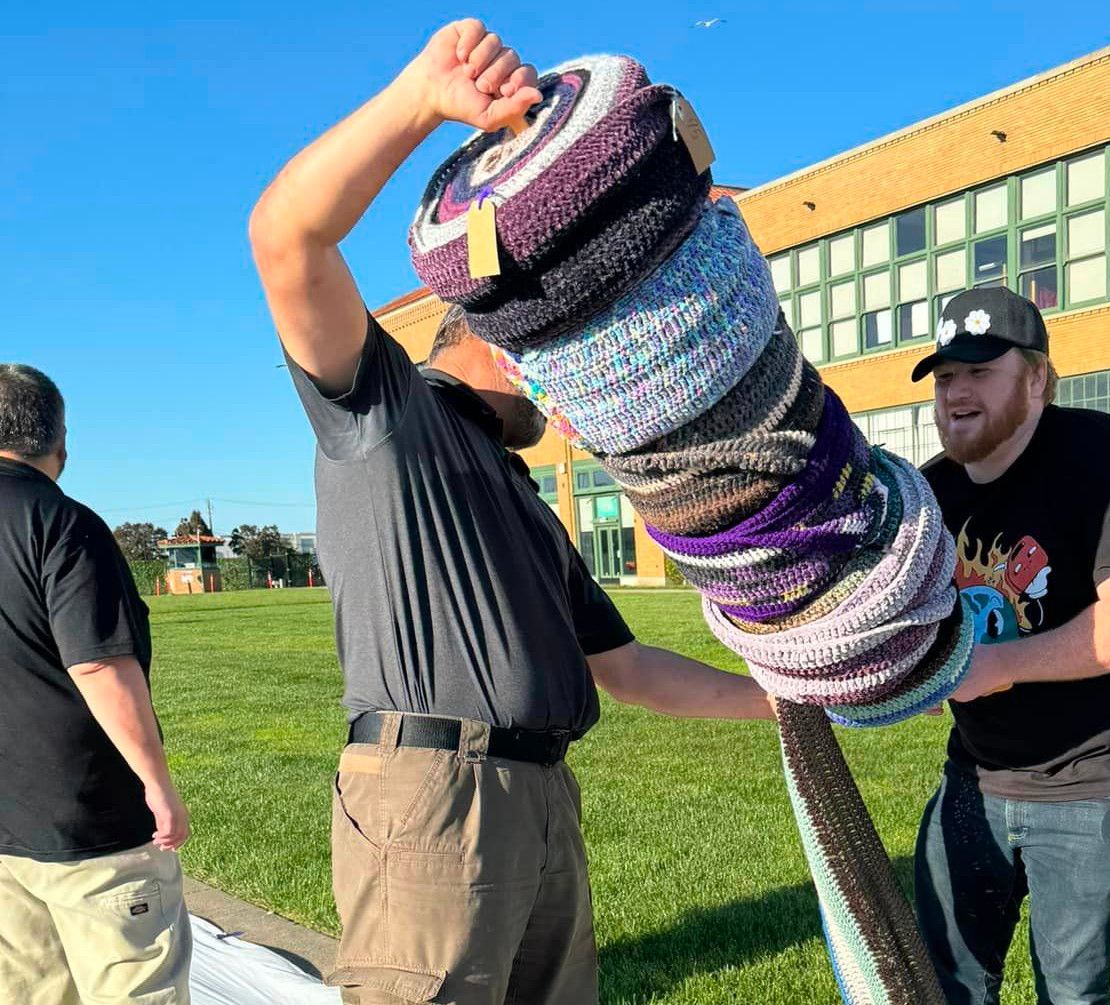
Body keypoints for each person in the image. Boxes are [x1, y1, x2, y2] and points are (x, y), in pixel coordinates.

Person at [248, 20, 772, 1005]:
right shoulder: (390, 417)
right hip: (432, 799)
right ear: (511, 325)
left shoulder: (524, 497)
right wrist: (416, 102)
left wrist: (788, 698)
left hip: (539, 797)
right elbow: (287, 237)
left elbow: (629, 669)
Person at [909, 288, 1110, 1005]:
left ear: (1037, 379)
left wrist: (991, 665)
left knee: (1069, 988)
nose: (956, 394)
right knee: (947, 984)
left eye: (979, 371)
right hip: (974, 776)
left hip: (1094, 777)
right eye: (943, 378)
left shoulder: (1108, 458)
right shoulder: (929, 494)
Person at [0, 363, 192, 1005]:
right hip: (88, 819)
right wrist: (156, 783)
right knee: (134, 985)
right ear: (59, 441)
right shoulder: (62, 522)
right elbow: (98, 663)